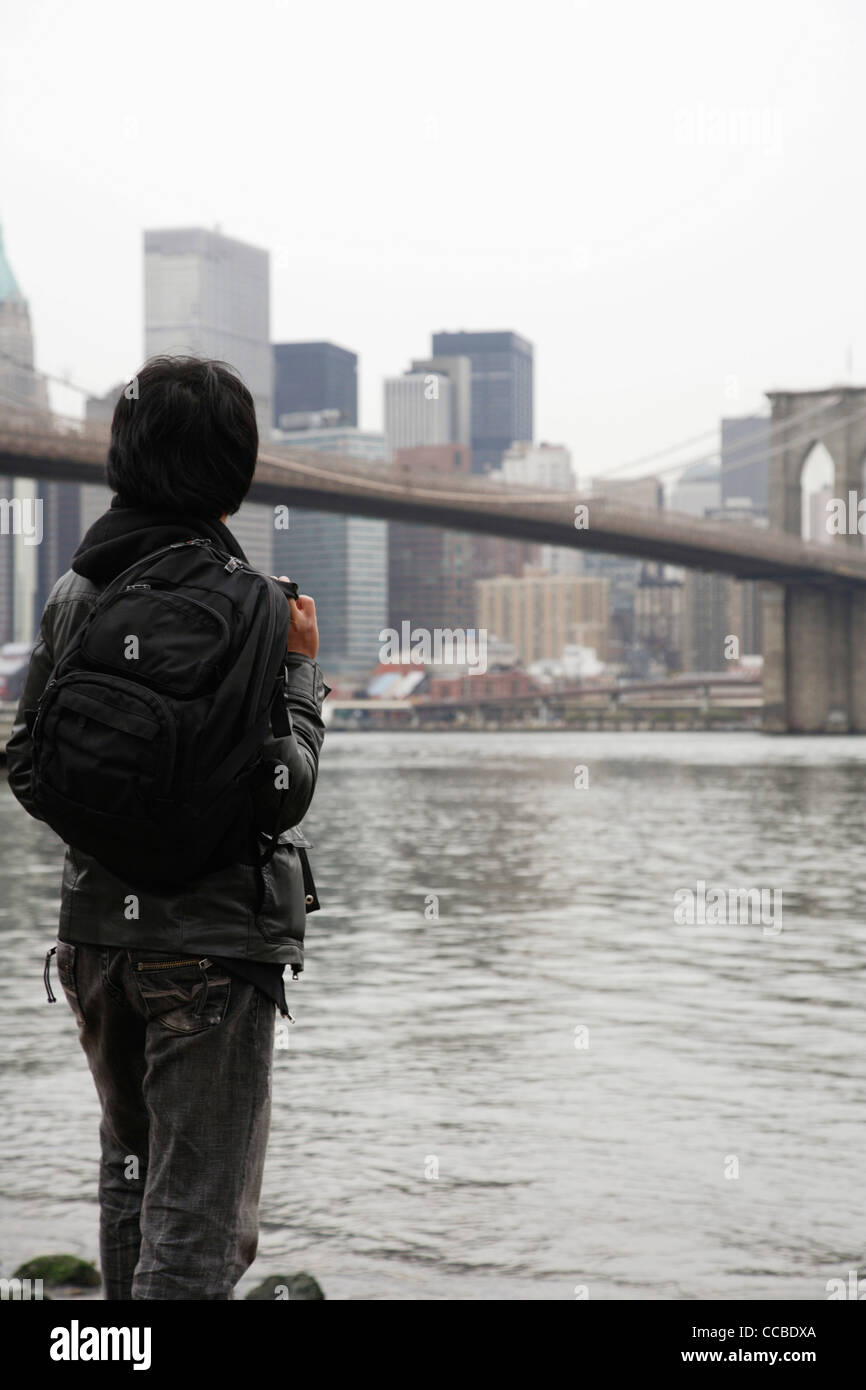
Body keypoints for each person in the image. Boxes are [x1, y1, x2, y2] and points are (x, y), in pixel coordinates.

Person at [6, 356, 329, 1300]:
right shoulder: (257, 609)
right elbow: (282, 789)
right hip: (213, 954)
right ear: (237, 468)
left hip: (96, 946)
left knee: (130, 1183)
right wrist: (303, 673)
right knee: (197, 1232)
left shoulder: (75, 592)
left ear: (122, 456)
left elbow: (28, 762)